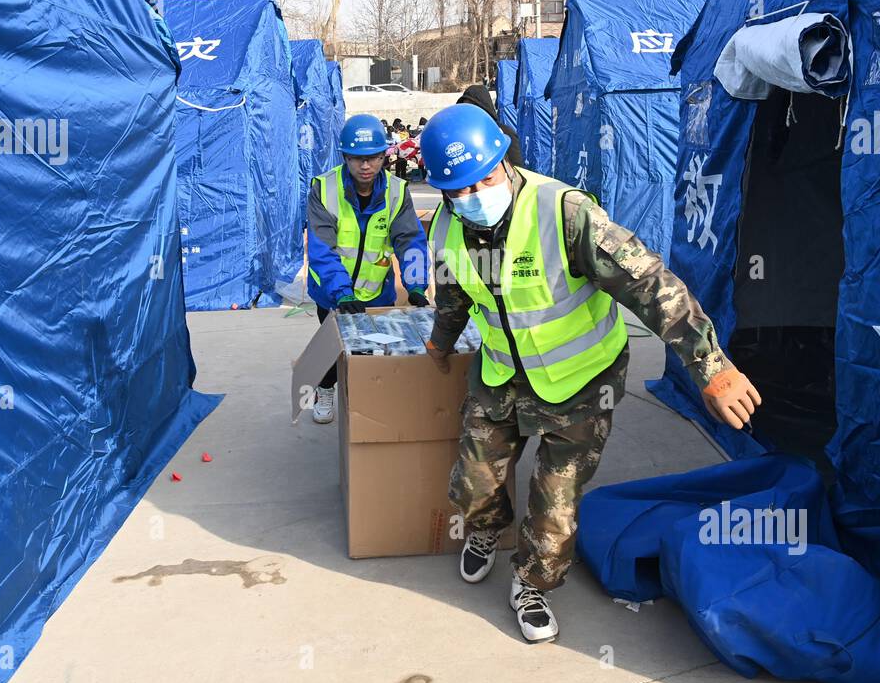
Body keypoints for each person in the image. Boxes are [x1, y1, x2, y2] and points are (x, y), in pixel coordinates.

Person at [420, 104, 760, 642]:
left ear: (505, 163)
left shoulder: (566, 214)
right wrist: (440, 342)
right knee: (474, 481)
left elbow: (651, 285)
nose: (473, 198)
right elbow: (455, 294)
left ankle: (532, 582)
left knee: (555, 503)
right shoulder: (445, 228)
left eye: (483, 180)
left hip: (581, 382)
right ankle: (485, 531)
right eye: (458, 190)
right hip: (502, 372)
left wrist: (709, 365)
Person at [306, 113, 430, 424]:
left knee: (375, 353)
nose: (365, 166)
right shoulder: (324, 189)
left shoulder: (397, 192)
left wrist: (416, 285)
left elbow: (410, 240)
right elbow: (322, 250)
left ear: (383, 156)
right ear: (345, 157)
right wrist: (342, 294)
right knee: (333, 351)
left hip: (377, 292)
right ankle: (325, 390)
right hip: (333, 294)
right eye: (357, 158)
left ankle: (367, 408)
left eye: (373, 158)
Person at [457, 83, 522, 167]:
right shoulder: (462, 137)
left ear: (484, 108)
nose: (469, 113)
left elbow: (518, 167)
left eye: (474, 108)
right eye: (466, 109)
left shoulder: (504, 133)